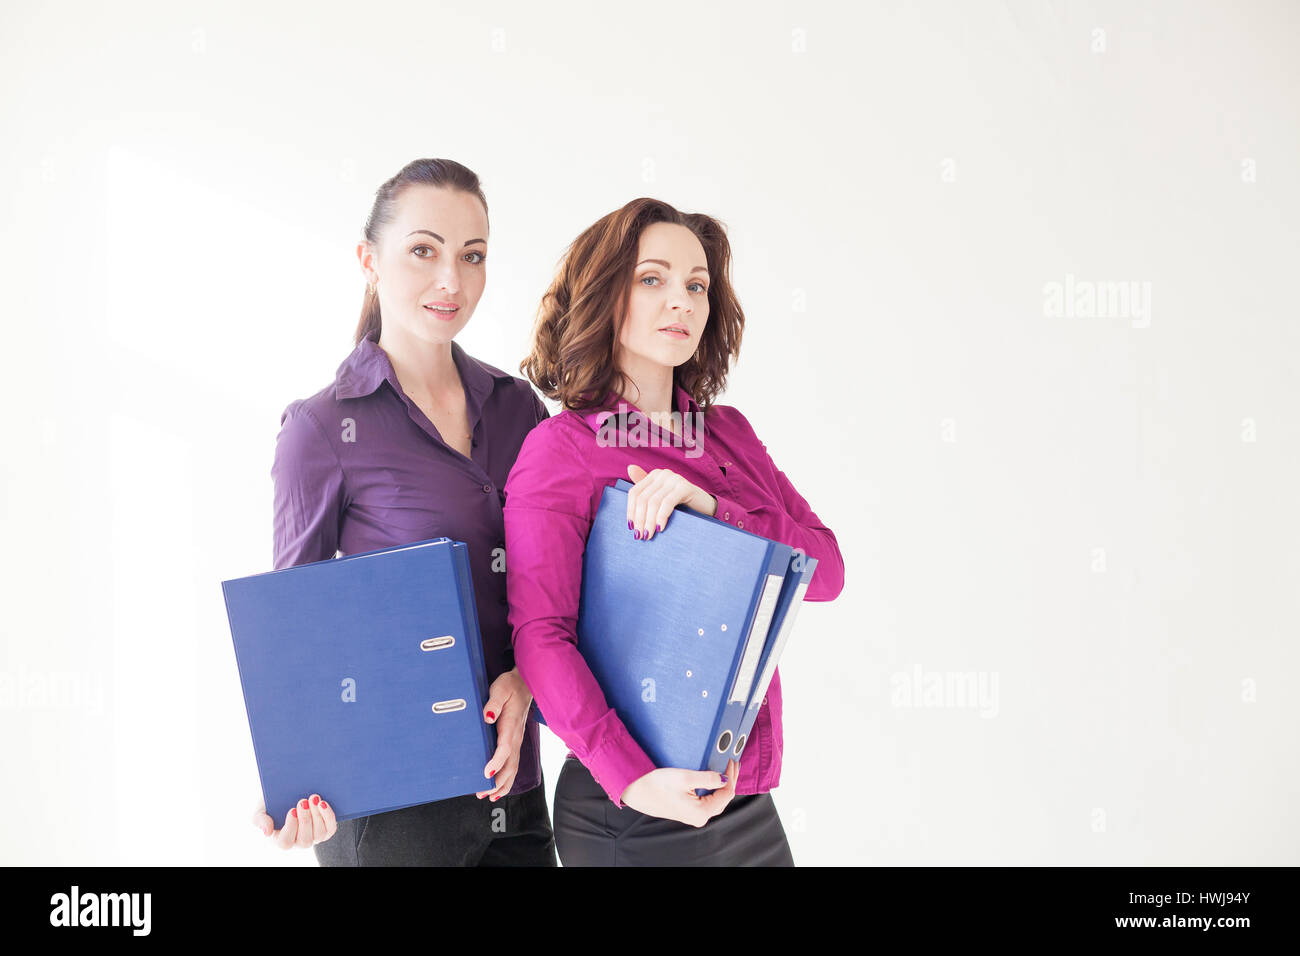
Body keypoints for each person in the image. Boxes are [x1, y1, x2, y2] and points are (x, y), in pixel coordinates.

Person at [503, 197, 846, 866]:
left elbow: (827, 573)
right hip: (632, 806)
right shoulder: (561, 450)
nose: (682, 301)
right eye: (653, 279)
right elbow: (541, 636)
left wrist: (716, 514)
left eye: (697, 285)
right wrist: (631, 776)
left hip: (742, 796)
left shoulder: (732, 436)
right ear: (607, 294)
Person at [253, 157, 556, 866]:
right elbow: (294, 633)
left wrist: (529, 678)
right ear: (369, 260)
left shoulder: (519, 411)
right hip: (391, 808)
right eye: (423, 250)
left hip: (515, 785)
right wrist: (292, 786)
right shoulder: (322, 428)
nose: (451, 280)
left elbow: (558, 588)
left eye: (471, 256)